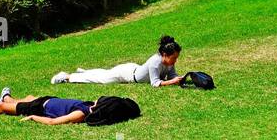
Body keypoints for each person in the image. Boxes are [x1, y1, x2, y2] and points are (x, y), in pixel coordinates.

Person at [53, 35, 183, 87]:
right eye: (174, 58)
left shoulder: (169, 63)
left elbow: (172, 75)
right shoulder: (156, 62)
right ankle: (67, 76)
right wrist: (172, 82)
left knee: (105, 73)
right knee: (102, 79)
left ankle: (85, 72)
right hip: (125, 74)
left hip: (132, 69)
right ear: (164, 54)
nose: (175, 61)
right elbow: (155, 83)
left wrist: (179, 78)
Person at [0, 88, 96, 124]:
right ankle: (7, 97)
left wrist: (33, 117)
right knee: (29, 98)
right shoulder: (92, 104)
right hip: (48, 100)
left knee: (0, 107)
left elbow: (53, 122)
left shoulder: (82, 114)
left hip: (39, 109)